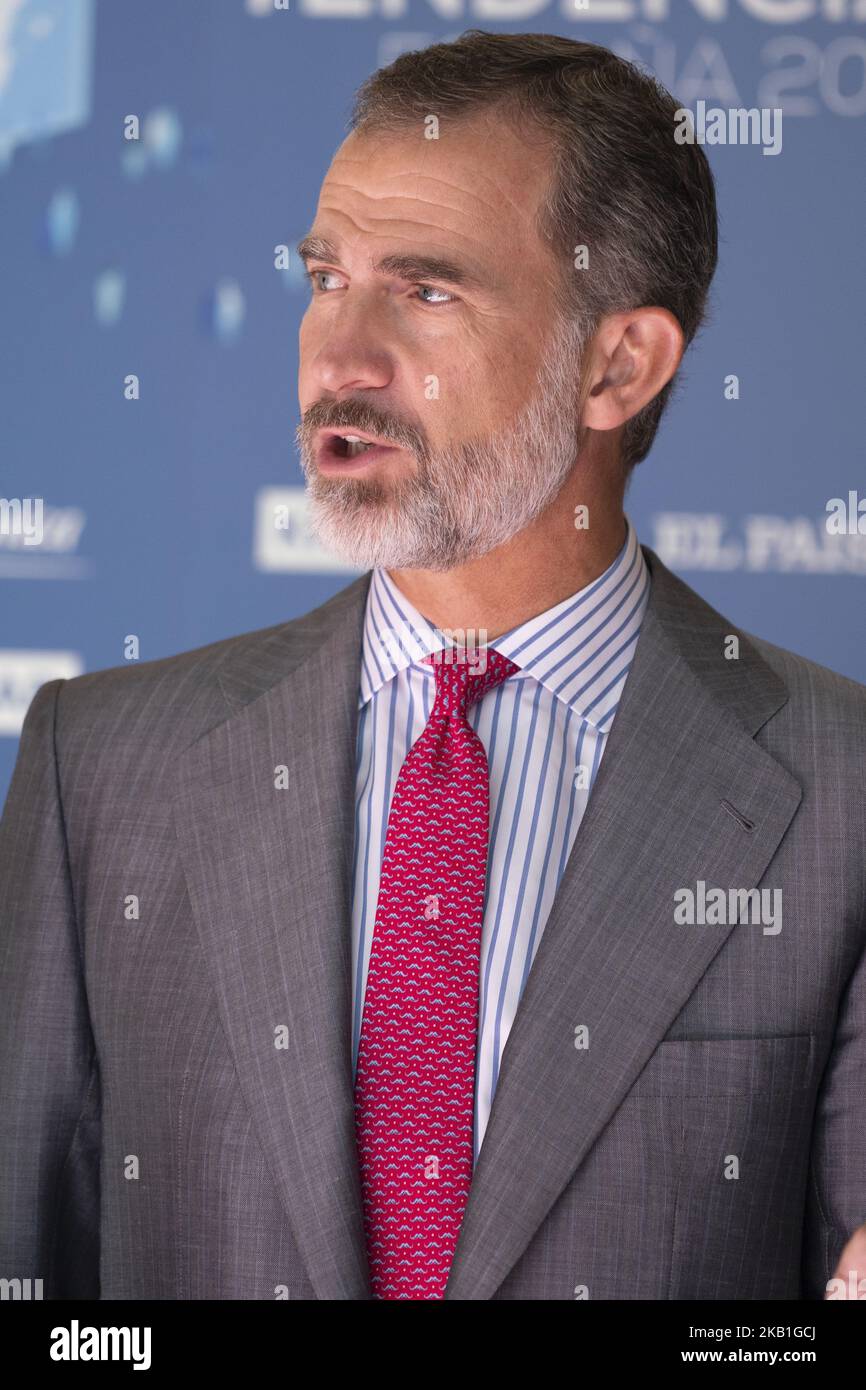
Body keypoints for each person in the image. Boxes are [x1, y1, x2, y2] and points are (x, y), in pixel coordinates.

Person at [1, 31, 864, 1302]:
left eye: (427, 291)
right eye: (324, 276)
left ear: (615, 364)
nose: (335, 357)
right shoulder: (103, 765)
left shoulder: (839, 792)